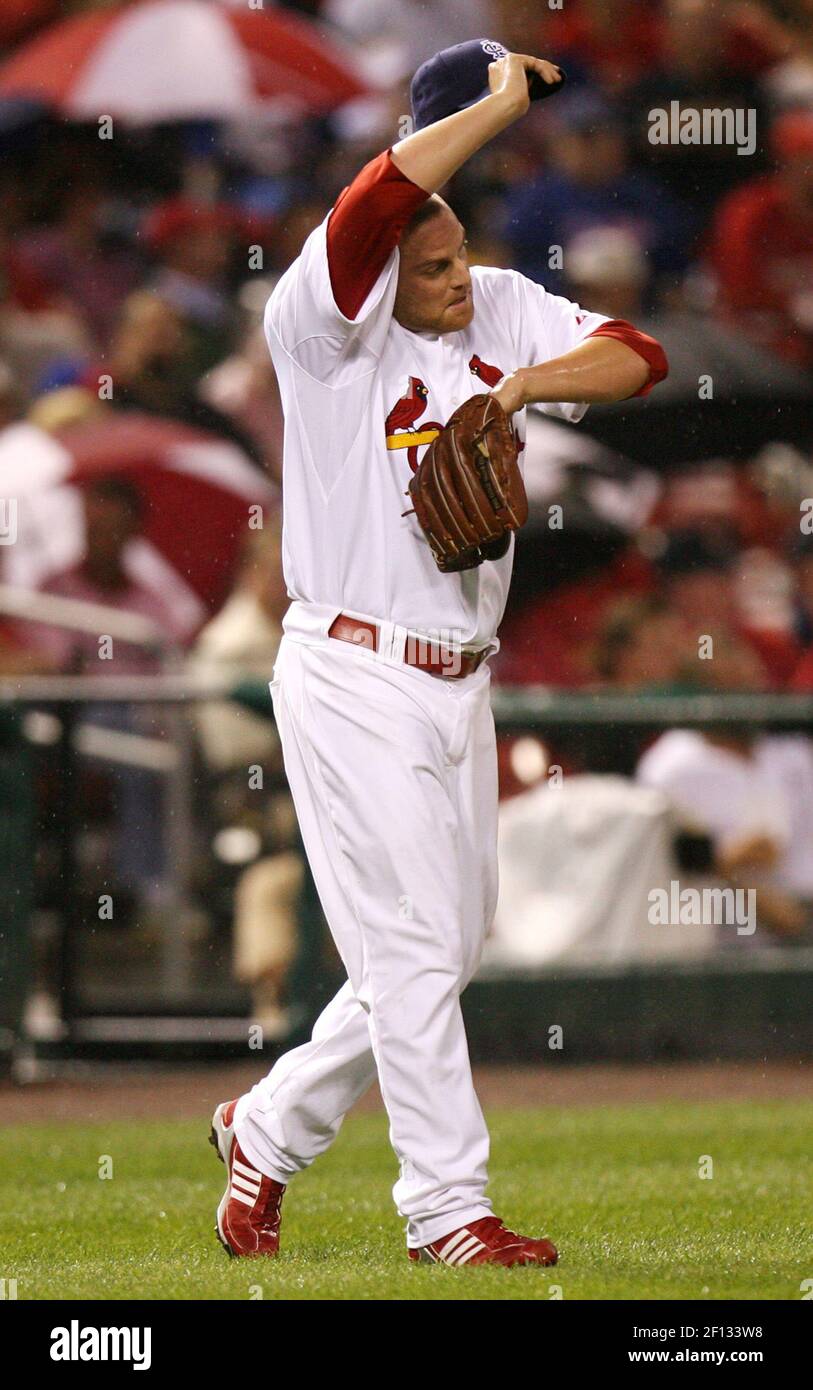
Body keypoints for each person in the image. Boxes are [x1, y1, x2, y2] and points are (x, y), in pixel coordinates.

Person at [209, 42, 667, 1269]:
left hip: (460, 676)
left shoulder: (499, 299)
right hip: (353, 665)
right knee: (413, 946)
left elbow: (639, 354)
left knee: (446, 948)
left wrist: (520, 390)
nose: (458, 279)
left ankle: (266, 1125)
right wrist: (503, 103)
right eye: (434, 266)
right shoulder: (319, 322)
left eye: (462, 255)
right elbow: (370, 210)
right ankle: (446, 1210)